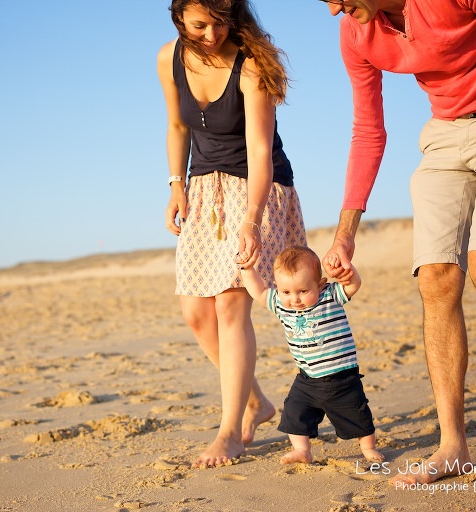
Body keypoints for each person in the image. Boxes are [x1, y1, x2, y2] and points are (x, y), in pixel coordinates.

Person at [318, 0, 476, 484]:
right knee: (436, 279)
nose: (335, 8)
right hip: (445, 132)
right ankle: (453, 445)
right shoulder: (355, 33)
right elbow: (367, 129)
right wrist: (346, 234)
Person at [157, 0, 306, 467]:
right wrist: (176, 186)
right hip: (202, 188)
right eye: (200, 24)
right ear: (179, 17)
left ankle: (229, 433)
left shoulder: (251, 65)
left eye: (221, 22)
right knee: (195, 313)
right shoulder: (169, 58)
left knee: (229, 300)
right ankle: (257, 403)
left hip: (257, 189)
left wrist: (251, 221)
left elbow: (260, 151)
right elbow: (177, 125)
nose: (211, 33)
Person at [239, 246, 384, 464]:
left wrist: (347, 270)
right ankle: (302, 450)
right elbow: (258, 291)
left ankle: (368, 446)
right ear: (278, 288)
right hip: (306, 378)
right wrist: (248, 269)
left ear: (320, 284)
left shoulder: (330, 296)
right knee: (293, 412)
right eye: (286, 292)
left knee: (357, 413)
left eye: (303, 291)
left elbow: (353, 285)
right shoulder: (281, 305)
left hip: (341, 377)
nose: (294, 299)